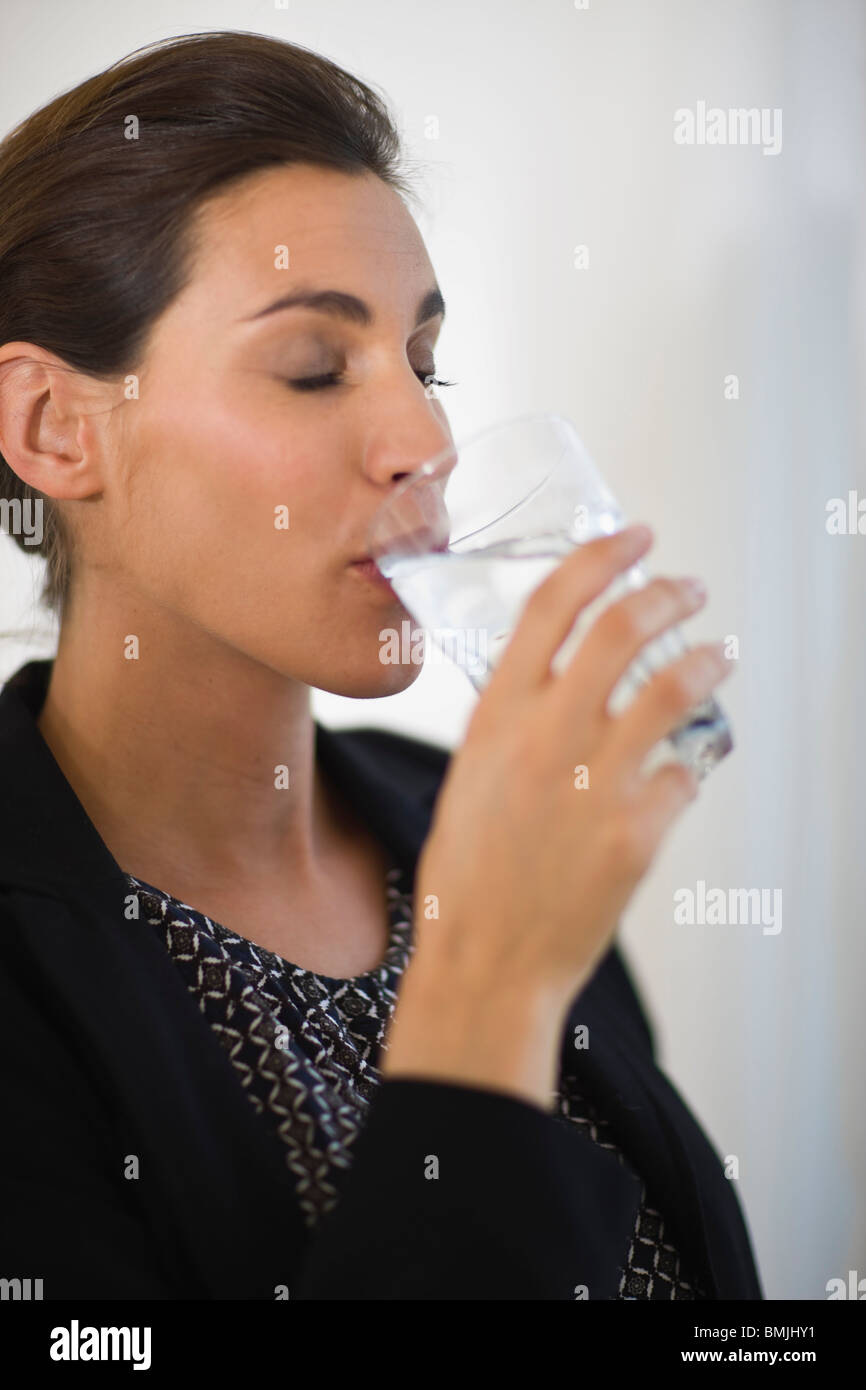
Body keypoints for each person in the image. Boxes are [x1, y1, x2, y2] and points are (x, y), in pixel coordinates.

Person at [0, 30, 761, 1300]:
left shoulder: (468, 819)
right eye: (312, 368)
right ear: (52, 427)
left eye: (424, 363)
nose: (425, 440)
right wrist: (491, 988)